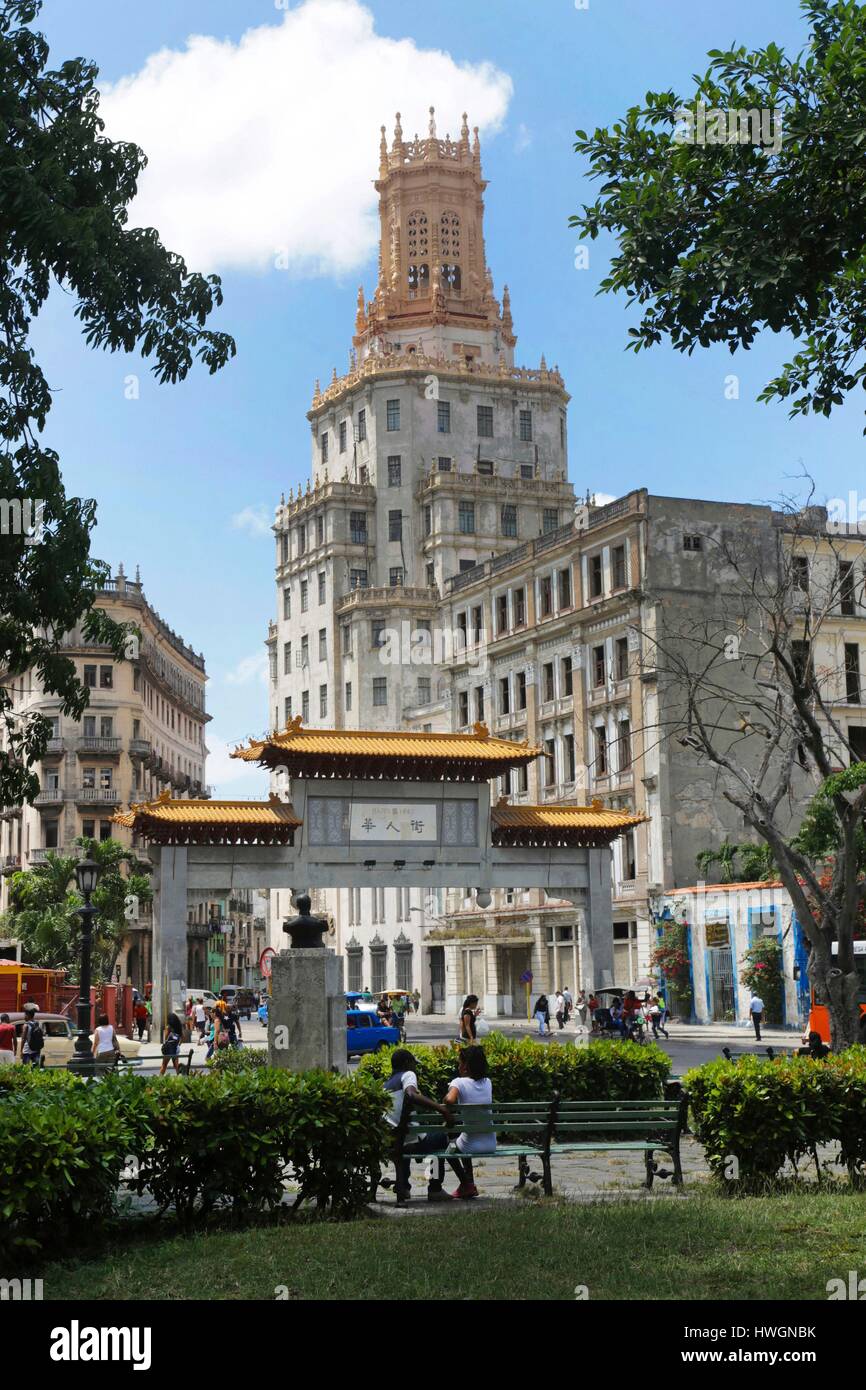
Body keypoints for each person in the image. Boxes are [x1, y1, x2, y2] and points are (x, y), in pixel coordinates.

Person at [384, 1048, 455, 1204]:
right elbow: (410, 1094)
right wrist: (442, 1109)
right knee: (440, 1139)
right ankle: (435, 1187)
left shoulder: (386, 1085)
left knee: (406, 1138)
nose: (415, 1068)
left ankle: (404, 1186)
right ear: (407, 1063)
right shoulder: (408, 1075)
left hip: (394, 1140)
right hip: (409, 1140)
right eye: (413, 1064)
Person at [442, 1045, 496, 1199]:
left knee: (449, 1148)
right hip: (491, 1144)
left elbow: (450, 1100)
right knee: (463, 1138)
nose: (458, 1066)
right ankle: (469, 1185)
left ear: (465, 1066)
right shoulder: (488, 1082)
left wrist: (446, 1097)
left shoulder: (458, 1082)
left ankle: (466, 1184)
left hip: (469, 1145)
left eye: (460, 1063)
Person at [18, 1002, 44, 1066]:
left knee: (25, 1069)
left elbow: (23, 1039)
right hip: (36, 1050)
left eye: (25, 1015)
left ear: (28, 1015)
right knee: (35, 1069)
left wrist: (21, 1051)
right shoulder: (37, 1024)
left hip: (27, 1051)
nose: (24, 1016)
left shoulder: (26, 1025)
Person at [160, 1011, 183, 1075]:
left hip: (168, 1048)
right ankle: (180, 1079)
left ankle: (159, 1079)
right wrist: (178, 1045)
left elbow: (166, 1038)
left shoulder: (168, 1027)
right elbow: (182, 1037)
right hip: (175, 1048)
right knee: (176, 1066)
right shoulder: (178, 1027)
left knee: (164, 1065)